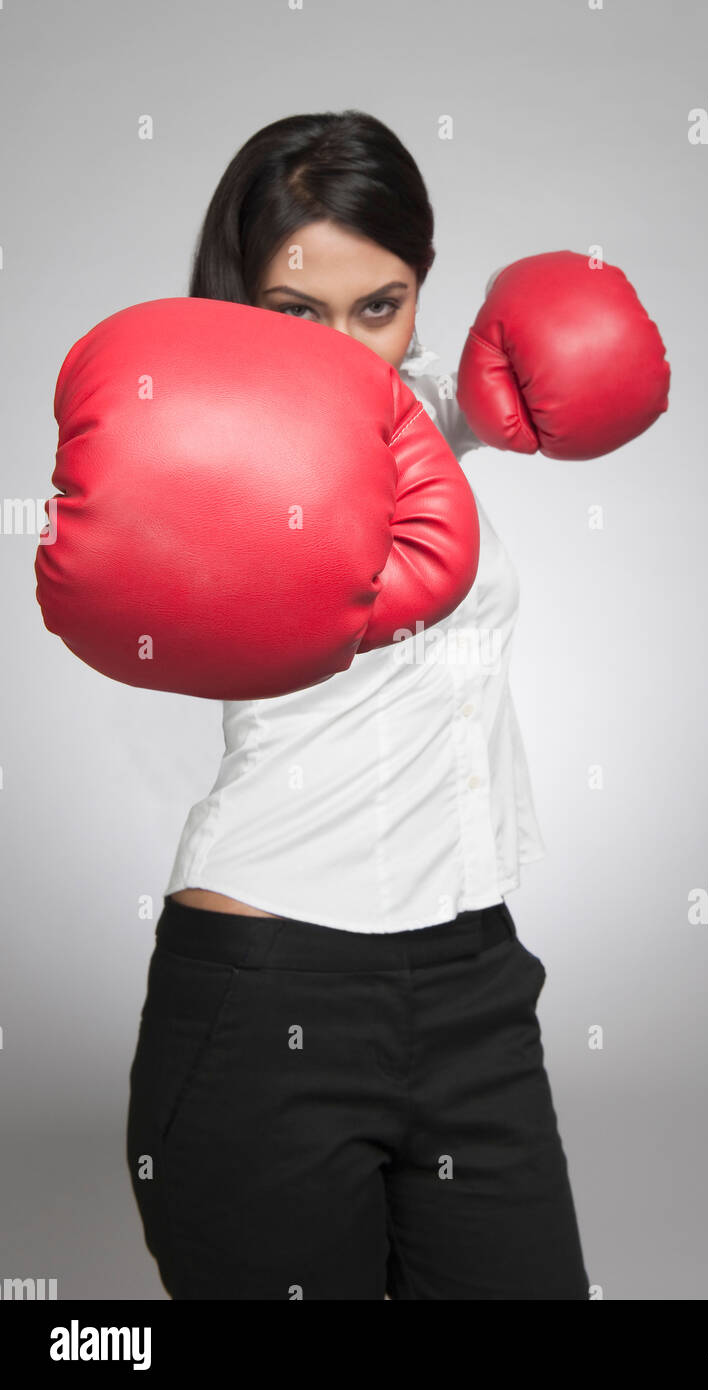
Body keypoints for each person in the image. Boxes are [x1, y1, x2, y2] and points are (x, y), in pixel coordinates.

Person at [125, 109, 591, 1300]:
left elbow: (473, 405)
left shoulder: (420, 409)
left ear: (419, 288)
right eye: (297, 315)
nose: (343, 350)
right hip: (268, 988)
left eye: (377, 306)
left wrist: (529, 383)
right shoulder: (189, 453)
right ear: (241, 305)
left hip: (475, 985)